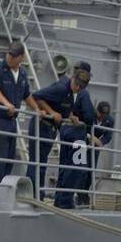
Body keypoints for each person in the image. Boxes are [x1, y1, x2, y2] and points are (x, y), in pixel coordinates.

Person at [0, 42, 41, 188]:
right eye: (8, 54)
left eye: (13, 56)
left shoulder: (22, 73)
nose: (9, 58)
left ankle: (0, 195)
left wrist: (36, 109)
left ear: (21, 58)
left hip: (11, 122)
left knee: (8, 161)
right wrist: (6, 103)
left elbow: (26, 94)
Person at [30, 69, 90, 197]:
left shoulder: (71, 92)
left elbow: (63, 107)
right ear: (72, 78)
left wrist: (71, 116)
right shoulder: (61, 88)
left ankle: (38, 195)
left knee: (41, 163)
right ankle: (33, 195)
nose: (78, 88)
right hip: (42, 126)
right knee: (37, 163)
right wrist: (51, 112)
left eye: (81, 87)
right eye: (77, 84)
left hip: (50, 129)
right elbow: (36, 97)